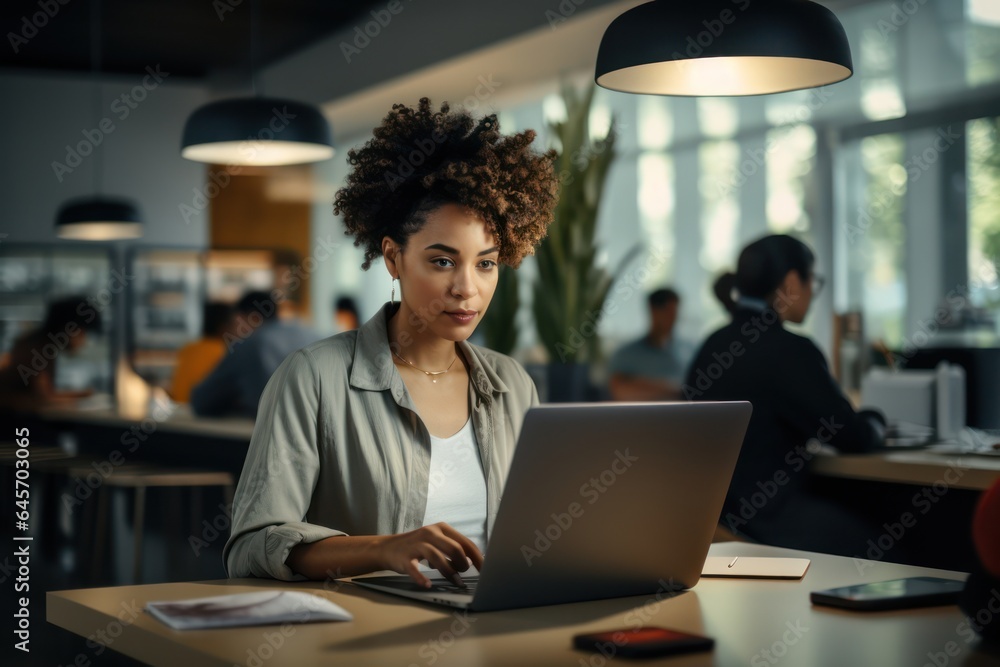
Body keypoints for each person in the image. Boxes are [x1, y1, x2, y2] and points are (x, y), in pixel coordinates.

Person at [223, 98, 558, 587]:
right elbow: (253, 546)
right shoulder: (314, 377)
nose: (467, 288)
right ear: (393, 258)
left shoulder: (512, 384)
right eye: (442, 261)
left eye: (485, 263)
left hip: (496, 626)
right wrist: (384, 549)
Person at [683, 234, 886, 556]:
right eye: (812, 282)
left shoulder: (712, 345)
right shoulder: (791, 351)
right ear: (792, 282)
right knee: (898, 543)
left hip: (715, 525)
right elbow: (851, 436)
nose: (812, 293)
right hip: (771, 523)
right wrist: (877, 420)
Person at [190, 291, 319, 418]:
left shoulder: (251, 345)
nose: (233, 331)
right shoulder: (312, 335)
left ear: (254, 318)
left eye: (235, 323)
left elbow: (202, 401)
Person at [0, 296, 103, 409]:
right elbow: (44, 398)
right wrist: (79, 398)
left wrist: (82, 394)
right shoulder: (40, 349)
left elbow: (44, 393)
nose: (83, 341)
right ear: (68, 329)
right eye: (82, 333)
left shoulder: (37, 343)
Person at [608, 287, 691, 401]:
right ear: (652, 310)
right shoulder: (626, 354)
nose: (673, 318)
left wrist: (642, 384)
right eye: (667, 312)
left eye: (674, 312)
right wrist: (675, 390)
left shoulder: (689, 350)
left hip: (684, 417)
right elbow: (619, 391)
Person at [169, 301, 234, 403]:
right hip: (203, 414)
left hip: (179, 411)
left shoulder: (188, 349)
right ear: (224, 326)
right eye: (233, 325)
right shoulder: (224, 352)